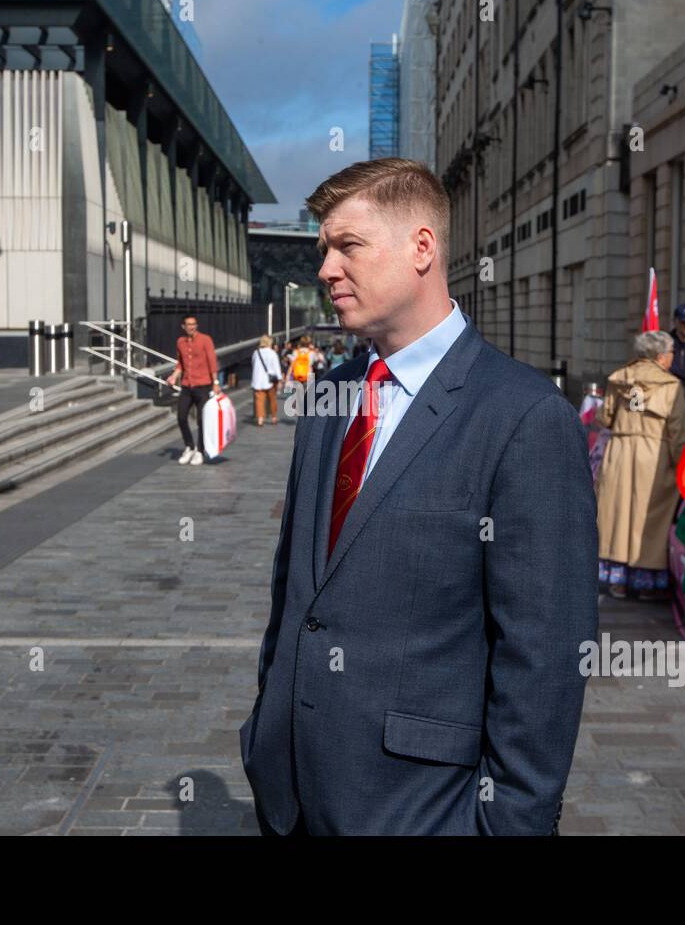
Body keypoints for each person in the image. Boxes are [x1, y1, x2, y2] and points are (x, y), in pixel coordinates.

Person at [240, 157, 597, 836]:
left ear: (422, 248)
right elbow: (295, 594)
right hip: (292, 800)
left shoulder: (524, 417)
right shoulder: (330, 399)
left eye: (348, 245)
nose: (325, 269)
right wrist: (266, 731)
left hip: (424, 809)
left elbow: (544, 657)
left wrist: (506, 825)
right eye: (323, 250)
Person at [595, 331, 685, 600]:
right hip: (654, 455)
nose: (672, 356)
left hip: (620, 452)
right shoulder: (671, 385)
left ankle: (619, 582)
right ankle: (647, 583)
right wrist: (684, 466)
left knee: (618, 516)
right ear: (661, 356)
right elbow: (679, 432)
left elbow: (605, 418)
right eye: (671, 352)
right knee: (648, 518)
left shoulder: (619, 378)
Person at [166, 315, 221, 465]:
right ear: (183, 326)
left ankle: (200, 451)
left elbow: (212, 362)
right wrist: (173, 377)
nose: (192, 327)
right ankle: (189, 446)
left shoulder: (205, 340)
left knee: (201, 420)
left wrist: (216, 382)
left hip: (203, 385)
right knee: (181, 417)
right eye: (189, 324)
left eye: (194, 324)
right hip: (187, 385)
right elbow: (180, 364)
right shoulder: (180, 342)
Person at [251, 335, 283, 426]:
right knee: (272, 399)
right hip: (270, 380)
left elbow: (253, 364)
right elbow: (277, 367)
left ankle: (260, 419)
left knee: (259, 401)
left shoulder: (256, 353)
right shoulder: (272, 353)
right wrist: (280, 380)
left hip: (257, 380)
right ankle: (273, 417)